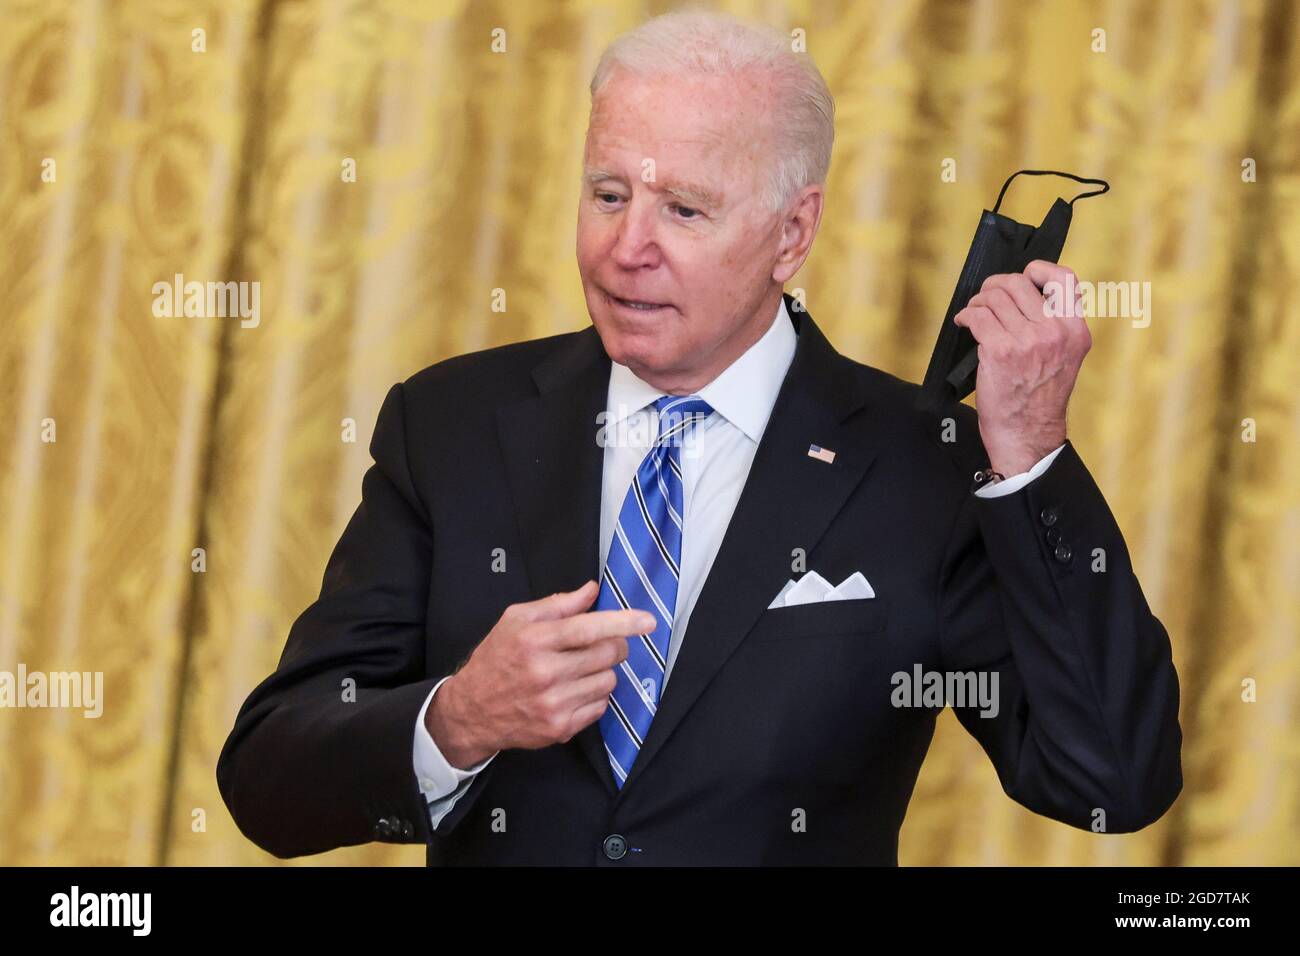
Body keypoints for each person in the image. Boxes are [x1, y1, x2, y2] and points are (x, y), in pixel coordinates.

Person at [216, 10, 1181, 865]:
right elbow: (269, 778)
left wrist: (1030, 453)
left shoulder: (922, 463)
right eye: (606, 194)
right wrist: (459, 719)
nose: (626, 246)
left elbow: (1111, 782)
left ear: (791, 235)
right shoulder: (451, 424)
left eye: (683, 208)